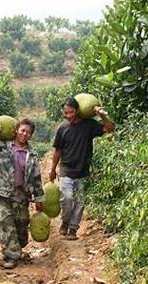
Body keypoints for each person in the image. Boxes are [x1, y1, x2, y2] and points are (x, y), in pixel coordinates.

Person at [0, 118, 45, 269]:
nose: (25, 134)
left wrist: (39, 197)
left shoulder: (32, 154)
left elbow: (36, 178)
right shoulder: (3, 146)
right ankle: (10, 256)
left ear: (31, 135)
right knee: (5, 223)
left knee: (21, 227)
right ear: (16, 131)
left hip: (23, 196)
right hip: (4, 193)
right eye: (22, 130)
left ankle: (17, 248)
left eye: (28, 132)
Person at [49, 97, 115, 240]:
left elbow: (110, 128)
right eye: (65, 113)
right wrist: (53, 169)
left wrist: (102, 115)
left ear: (78, 110)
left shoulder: (89, 125)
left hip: (83, 171)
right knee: (67, 198)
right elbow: (58, 151)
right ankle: (65, 222)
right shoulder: (62, 129)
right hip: (66, 170)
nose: (68, 116)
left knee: (80, 203)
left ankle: (73, 229)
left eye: (71, 112)